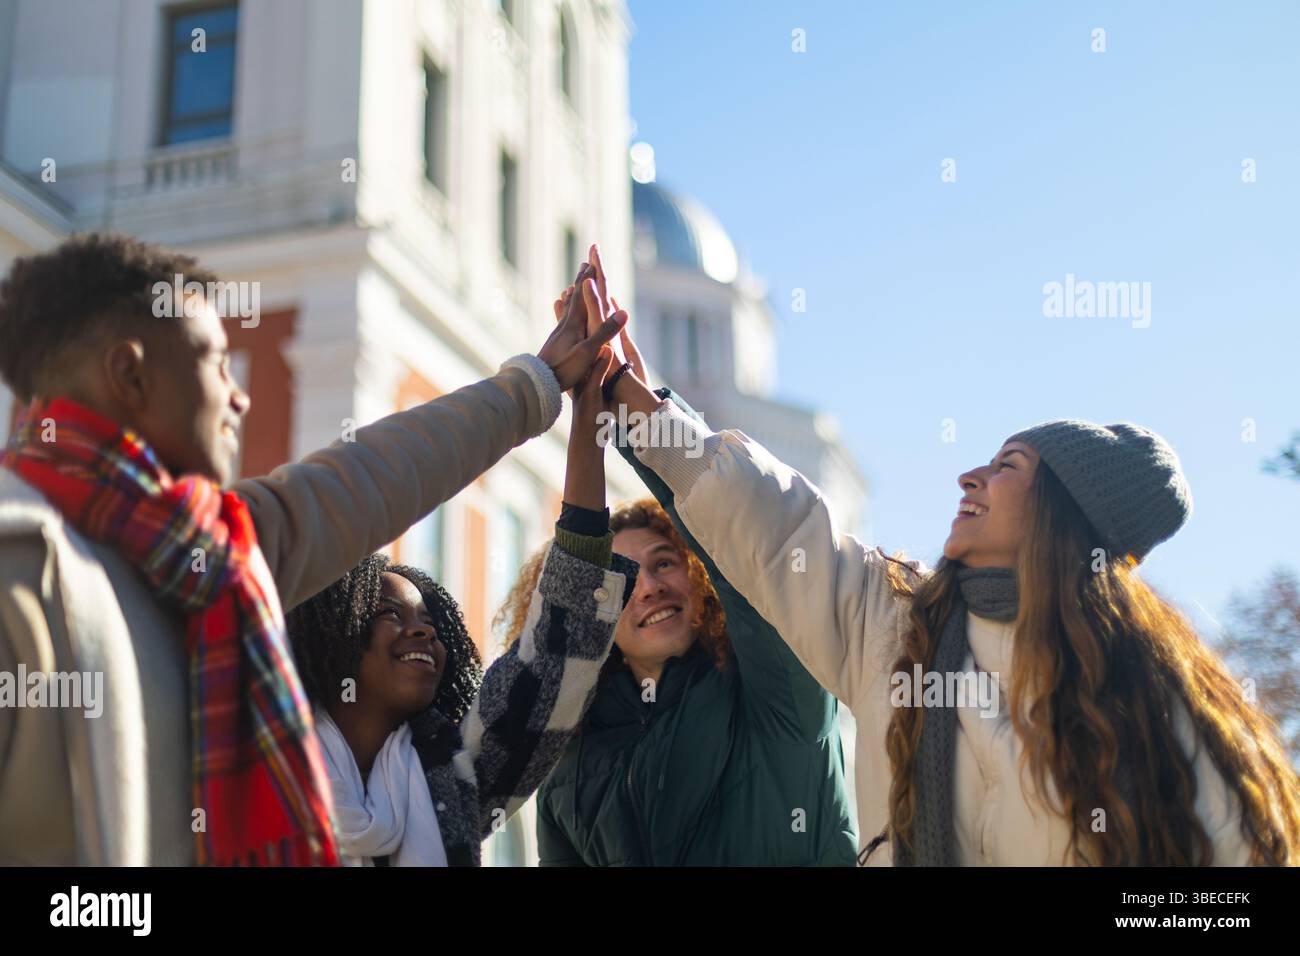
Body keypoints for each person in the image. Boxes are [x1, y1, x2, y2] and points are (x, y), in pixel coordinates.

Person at [587, 251, 1300, 866]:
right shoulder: (893, 628)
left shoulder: (1150, 689)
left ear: (1060, 516)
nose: (971, 477)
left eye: (1007, 466)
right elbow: (772, 522)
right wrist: (637, 406)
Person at [0, 233, 623, 865]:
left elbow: (381, 472)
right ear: (131, 374)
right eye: (216, 362)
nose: (238, 395)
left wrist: (539, 384)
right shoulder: (18, 567)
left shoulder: (222, 552)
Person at [494, 259, 857, 865]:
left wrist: (629, 406)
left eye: (664, 561)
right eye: (621, 578)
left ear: (701, 580)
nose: (648, 587)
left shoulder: (776, 693)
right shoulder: (566, 773)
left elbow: (742, 538)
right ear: (595, 621)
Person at [285, 344, 635, 866]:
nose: (425, 633)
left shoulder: (446, 771)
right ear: (335, 632)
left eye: (431, 622)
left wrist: (588, 426)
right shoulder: (263, 757)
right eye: (390, 614)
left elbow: (551, 665)